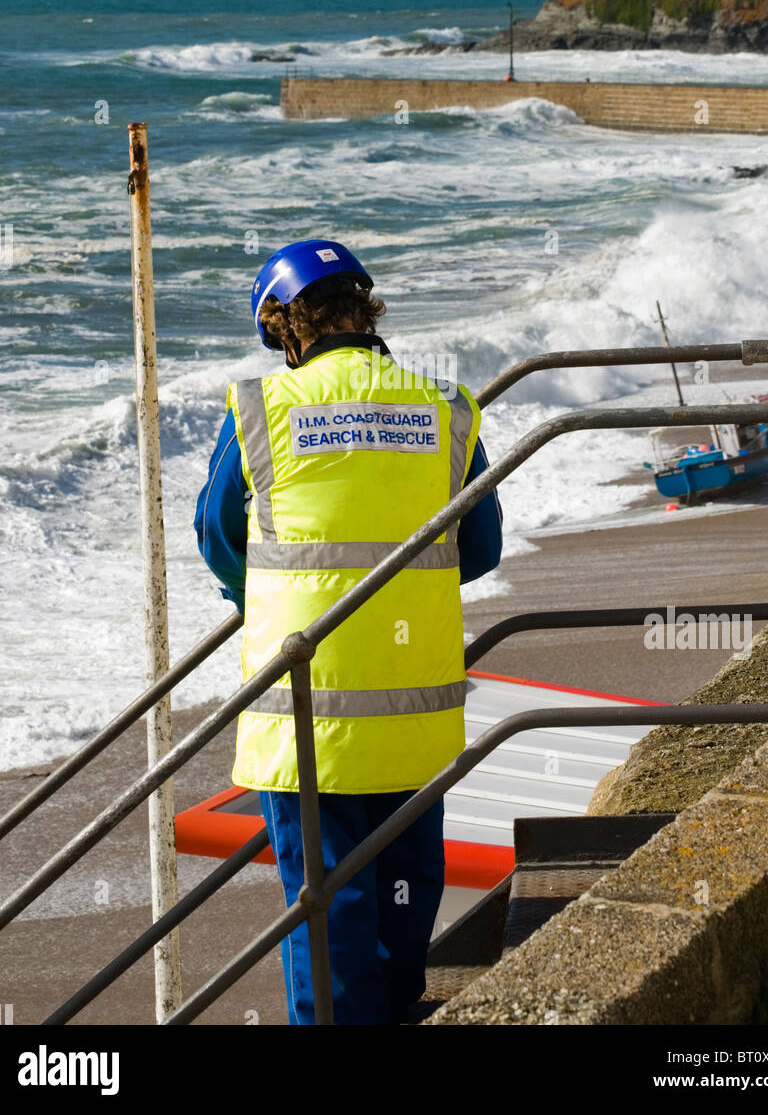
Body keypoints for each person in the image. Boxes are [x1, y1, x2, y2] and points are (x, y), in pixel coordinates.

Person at [194, 239, 502, 1025]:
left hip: (307, 707)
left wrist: (266, 595)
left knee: (326, 898)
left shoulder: (263, 407)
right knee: (406, 881)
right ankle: (401, 1011)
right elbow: (484, 546)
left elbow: (219, 535)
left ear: (282, 327)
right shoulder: (445, 405)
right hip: (415, 707)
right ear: (365, 311)